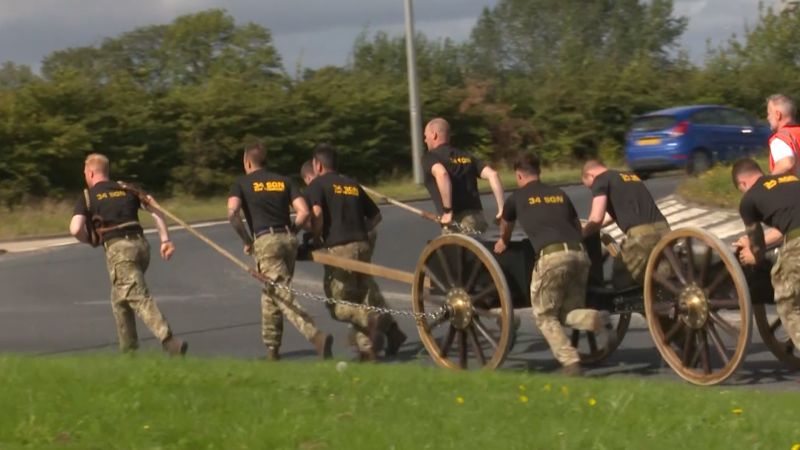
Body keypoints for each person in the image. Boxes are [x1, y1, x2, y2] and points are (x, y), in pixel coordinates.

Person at [494, 152, 613, 376]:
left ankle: (570, 362)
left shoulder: (516, 198)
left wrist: (503, 241)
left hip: (552, 258)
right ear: (539, 172)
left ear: (519, 175)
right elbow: (577, 226)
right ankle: (597, 318)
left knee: (544, 315)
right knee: (569, 312)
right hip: (579, 255)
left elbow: (506, 226)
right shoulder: (559, 193)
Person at [69, 153, 187, 356]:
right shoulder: (126, 188)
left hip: (119, 250)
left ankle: (169, 341)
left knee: (137, 296)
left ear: (90, 172)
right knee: (119, 299)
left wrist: (90, 240)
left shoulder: (88, 197)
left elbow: (75, 228)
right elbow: (155, 208)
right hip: (141, 247)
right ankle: (129, 351)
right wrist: (165, 240)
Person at [228, 144, 333, 361]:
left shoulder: (242, 182)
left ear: (247, 162)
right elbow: (303, 213)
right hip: (288, 240)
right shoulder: (284, 180)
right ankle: (272, 349)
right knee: (271, 294)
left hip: (265, 241)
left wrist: (248, 241)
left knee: (281, 294)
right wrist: (292, 231)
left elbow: (232, 214)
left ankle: (316, 337)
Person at [300, 160, 407, 358]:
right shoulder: (351, 184)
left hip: (340, 250)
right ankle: (384, 339)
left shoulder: (317, 185)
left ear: (318, 166)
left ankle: (370, 321)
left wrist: (316, 237)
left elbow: (316, 214)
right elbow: (376, 216)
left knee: (338, 305)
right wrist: (359, 230)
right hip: (363, 245)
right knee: (363, 295)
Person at [732, 158, 800, 355]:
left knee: (787, 300)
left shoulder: (749, 200)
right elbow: (785, 227)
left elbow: (757, 243)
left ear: (742, 184)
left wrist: (754, 256)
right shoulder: (790, 180)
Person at [581, 160, 669, 285]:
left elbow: (596, 218)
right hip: (664, 231)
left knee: (621, 272)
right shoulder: (630, 176)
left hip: (642, 236)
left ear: (590, 175)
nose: (592, 189)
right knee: (658, 272)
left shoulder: (600, 179)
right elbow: (614, 214)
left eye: (590, 186)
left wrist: (581, 235)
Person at [422, 117, 504, 233]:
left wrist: (448, 211)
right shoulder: (466, 156)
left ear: (434, 135)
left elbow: (442, 174)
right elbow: (493, 175)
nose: (425, 140)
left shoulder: (430, 157)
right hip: (478, 219)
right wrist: (501, 210)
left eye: (426, 136)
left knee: (446, 250)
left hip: (459, 223)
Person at [766, 94, 800, 176]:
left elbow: (786, 163)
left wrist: (767, 183)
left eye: (769, 113)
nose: (767, 118)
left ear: (778, 115)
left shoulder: (781, 139)